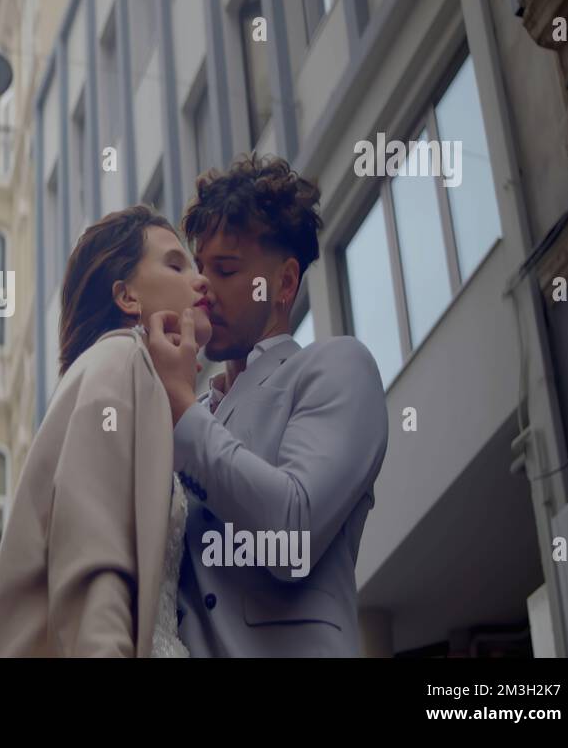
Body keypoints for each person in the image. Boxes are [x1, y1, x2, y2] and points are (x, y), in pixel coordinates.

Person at [146, 153, 389, 657]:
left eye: (227, 269)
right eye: (199, 268)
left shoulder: (339, 367)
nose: (203, 289)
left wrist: (181, 407)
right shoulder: (194, 408)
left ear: (283, 283)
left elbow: (291, 534)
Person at [0, 205, 211, 657]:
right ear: (127, 298)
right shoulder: (119, 361)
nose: (201, 282)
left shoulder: (136, 384)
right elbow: (94, 563)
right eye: (176, 265)